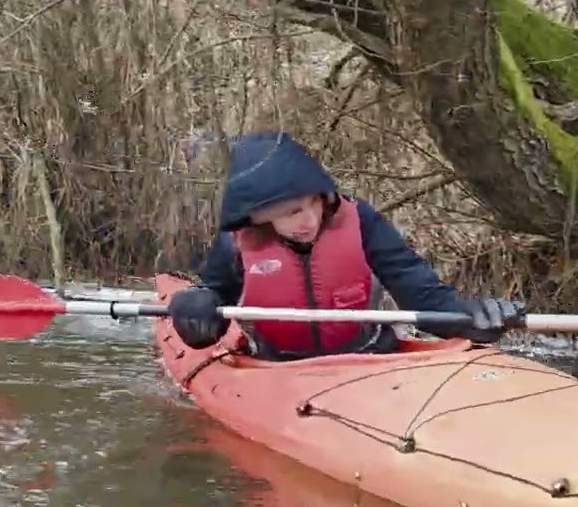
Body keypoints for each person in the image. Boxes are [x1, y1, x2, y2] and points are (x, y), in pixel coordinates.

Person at [168, 131, 525, 360]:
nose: (307, 220)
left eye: (311, 203)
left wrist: (468, 319)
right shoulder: (238, 243)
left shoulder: (361, 221)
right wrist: (198, 308)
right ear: (260, 219)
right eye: (289, 214)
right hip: (280, 367)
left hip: (368, 357)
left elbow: (418, 289)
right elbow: (215, 302)